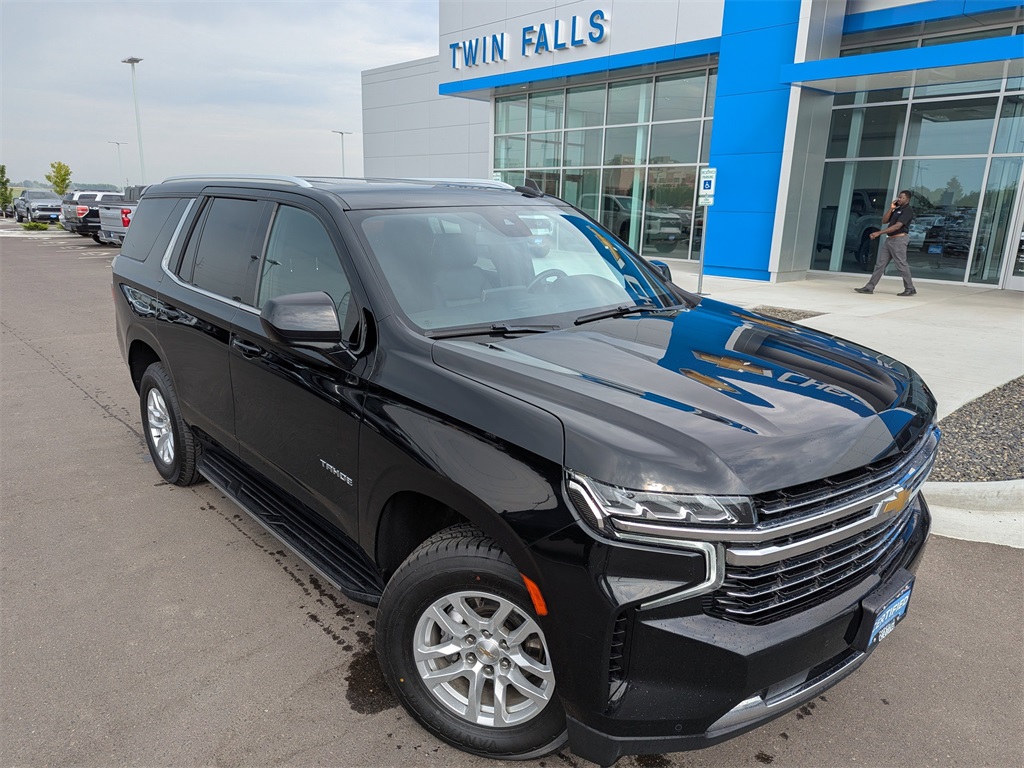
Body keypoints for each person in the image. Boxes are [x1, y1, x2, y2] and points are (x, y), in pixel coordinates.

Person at [855, 190, 917, 296]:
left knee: (901, 264)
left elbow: (897, 226)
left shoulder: (907, 211)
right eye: (899, 197)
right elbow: (884, 221)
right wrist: (892, 208)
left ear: (908, 199)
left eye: (902, 197)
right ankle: (869, 287)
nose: (899, 199)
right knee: (880, 264)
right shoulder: (897, 209)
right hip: (890, 240)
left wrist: (879, 233)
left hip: (899, 240)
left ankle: (910, 288)